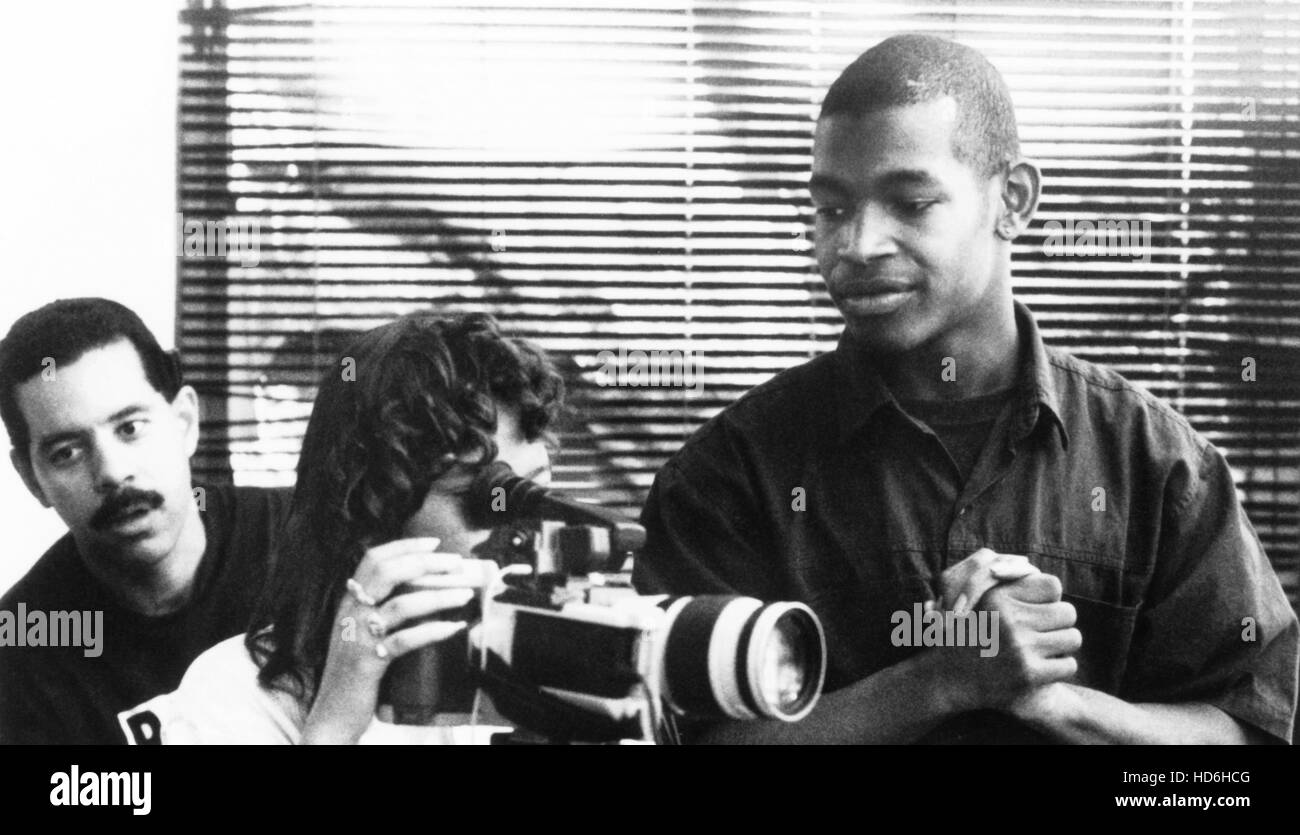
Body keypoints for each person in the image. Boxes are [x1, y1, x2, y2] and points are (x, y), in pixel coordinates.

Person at [633, 34, 1299, 744]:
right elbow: (691, 741)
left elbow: (1240, 754)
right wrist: (941, 679)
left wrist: (1055, 703)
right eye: (831, 210)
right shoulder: (727, 477)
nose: (858, 245)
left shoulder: (1159, 465)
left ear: (1012, 200)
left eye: (911, 203)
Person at [118, 312, 562, 743]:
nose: (524, 531)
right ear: (373, 512)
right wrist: (333, 725)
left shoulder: (564, 668)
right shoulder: (232, 694)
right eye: (481, 499)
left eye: (535, 491)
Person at [0, 298, 290, 744]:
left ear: (185, 422)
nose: (112, 472)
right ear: (31, 480)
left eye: (130, 428)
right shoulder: (20, 652)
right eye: (67, 453)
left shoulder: (311, 541)